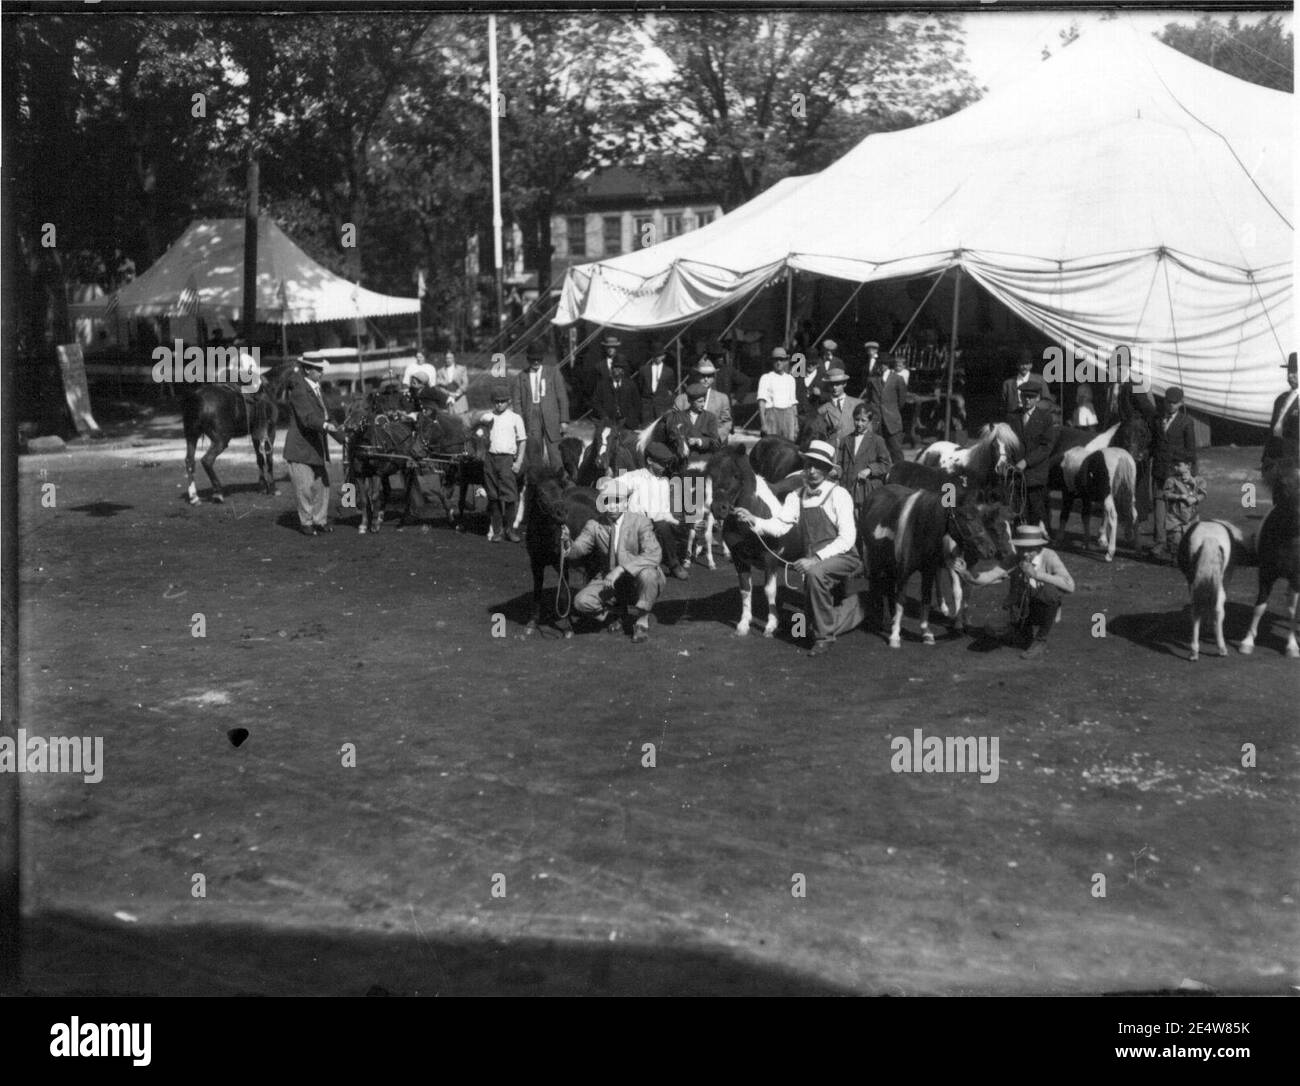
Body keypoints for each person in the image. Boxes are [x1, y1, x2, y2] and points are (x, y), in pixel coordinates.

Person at [734, 439, 864, 657]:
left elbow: (847, 538)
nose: (812, 471)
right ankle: (853, 610)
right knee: (806, 621)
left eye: (818, 466)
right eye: (809, 465)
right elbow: (780, 526)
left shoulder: (839, 495)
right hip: (813, 558)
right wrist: (754, 519)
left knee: (814, 574)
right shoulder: (797, 496)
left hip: (843, 555)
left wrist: (816, 559)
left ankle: (824, 638)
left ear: (827, 469)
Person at [562, 476, 665, 644]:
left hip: (637, 577)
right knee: (581, 602)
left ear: (625, 503)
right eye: (607, 501)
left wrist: (621, 569)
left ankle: (641, 620)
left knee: (649, 574)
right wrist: (567, 542)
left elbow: (654, 554)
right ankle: (615, 614)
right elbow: (578, 550)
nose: (612, 506)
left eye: (617, 501)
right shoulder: (594, 525)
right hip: (611, 580)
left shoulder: (640, 522)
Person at [969, 523, 1075, 659]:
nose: (1025, 553)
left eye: (1029, 549)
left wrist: (1037, 575)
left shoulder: (1049, 556)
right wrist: (967, 574)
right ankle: (1020, 631)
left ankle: (1041, 640)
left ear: (1038, 548)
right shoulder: (1014, 558)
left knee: (1050, 592)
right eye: (1021, 548)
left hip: (1044, 609)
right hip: (1021, 608)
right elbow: (989, 576)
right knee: (1017, 637)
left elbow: (1070, 586)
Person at [285, 354, 341, 536]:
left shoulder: (317, 389)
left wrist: (343, 437)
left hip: (315, 446)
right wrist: (326, 425)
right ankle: (307, 522)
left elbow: (327, 415)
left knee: (322, 486)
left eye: (322, 369)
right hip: (301, 447)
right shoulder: (299, 391)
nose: (322, 373)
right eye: (318, 369)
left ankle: (320, 520)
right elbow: (308, 418)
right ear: (308, 370)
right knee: (305, 487)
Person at [624, 441, 689, 580]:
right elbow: (612, 486)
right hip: (635, 521)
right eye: (662, 464)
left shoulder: (664, 482)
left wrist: (675, 522)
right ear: (649, 461)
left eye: (666, 464)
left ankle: (674, 564)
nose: (665, 467)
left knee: (666, 527)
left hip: (656, 521)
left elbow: (664, 510)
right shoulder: (635, 476)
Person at [1149, 386, 1198, 556]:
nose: (1170, 406)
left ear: (1181, 403)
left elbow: (1191, 451)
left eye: (1174, 403)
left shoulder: (1186, 422)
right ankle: (1160, 542)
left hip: (1177, 472)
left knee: (1178, 509)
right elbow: (1153, 443)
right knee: (1159, 506)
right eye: (1168, 402)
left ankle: (1178, 545)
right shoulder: (1156, 420)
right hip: (1159, 470)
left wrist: (1192, 475)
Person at [478, 382, 527, 543]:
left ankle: (510, 530)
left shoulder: (515, 418)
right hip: (491, 458)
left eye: (502, 401)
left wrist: (518, 461)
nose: (499, 404)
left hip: (507, 459)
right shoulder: (489, 416)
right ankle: (497, 531)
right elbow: (478, 430)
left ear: (509, 402)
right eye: (496, 401)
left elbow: (522, 440)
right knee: (493, 497)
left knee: (510, 496)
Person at [510, 341, 569, 470]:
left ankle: (559, 481)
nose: (536, 362)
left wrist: (564, 420)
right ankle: (536, 482)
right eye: (533, 359)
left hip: (551, 418)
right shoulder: (521, 377)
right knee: (534, 454)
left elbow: (562, 397)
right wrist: (519, 422)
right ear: (528, 359)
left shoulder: (553, 373)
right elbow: (517, 402)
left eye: (538, 359)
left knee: (555, 454)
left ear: (542, 358)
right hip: (531, 418)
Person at [1006, 383, 1058, 532]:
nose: (1027, 400)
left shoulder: (1046, 418)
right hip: (1016, 475)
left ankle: (1040, 543)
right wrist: (1010, 463)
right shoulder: (1012, 417)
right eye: (1024, 396)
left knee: (1037, 512)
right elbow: (1008, 443)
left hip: (1036, 475)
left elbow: (1046, 446)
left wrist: (1026, 461)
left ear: (1038, 398)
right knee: (1018, 511)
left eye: (1031, 397)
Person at [836, 404, 892, 514]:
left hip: (867, 490)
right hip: (847, 489)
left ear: (869, 422)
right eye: (857, 420)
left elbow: (886, 464)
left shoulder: (877, 440)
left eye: (863, 420)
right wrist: (834, 472)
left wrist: (870, 470)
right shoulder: (846, 440)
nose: (859, 424)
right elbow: (839, 464)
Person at [1156, 455, 1207, 561]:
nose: (1175, 467)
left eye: (1178, 465)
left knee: (1192, 539)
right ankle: (1175, 558)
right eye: (1174, 465)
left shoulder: (1198, 480)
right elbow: (1165, 494)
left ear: (1188, 466)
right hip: (1175, 516)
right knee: (1175, 540)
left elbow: (1203, 493)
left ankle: (1189, 558)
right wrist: (1179, 496)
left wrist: (1195, 499)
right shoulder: (1171, 480)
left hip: (1191, 517)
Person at [865, 351, 909, 465]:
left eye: (884, 364)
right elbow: (869, 398)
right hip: (876, 420)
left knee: (896, 450)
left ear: (888, 365)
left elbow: (901, 401)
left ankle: (901, 472)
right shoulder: (872, 380)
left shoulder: (898, 379)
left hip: (892, 421)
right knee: (876, 450)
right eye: (880, 363)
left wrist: (892, 411)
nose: (881, 366)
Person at [673, 359, 731, 441]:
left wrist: (716, 439)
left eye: (710, 376)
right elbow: (674, 422)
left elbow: (726, 422)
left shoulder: (722, 398)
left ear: (714, 378)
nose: (706, 379)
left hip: (713, 444)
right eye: (703, 376)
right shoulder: (682, 399)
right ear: (696, 376)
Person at [1262, 352, 1298, 478]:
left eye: (1295, 371)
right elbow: (1272, 431)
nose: (1290, 375)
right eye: (1289, 371)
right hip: (1278, 459)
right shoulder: (1281, 399)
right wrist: (1265, 460)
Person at [665, 382, 723, 457]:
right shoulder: (679, 416)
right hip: (684, 460)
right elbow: (672, 438)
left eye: (704, 401)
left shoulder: (710, 417)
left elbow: (716, 443)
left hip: (704, 460)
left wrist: (699, 441)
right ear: (690, 401)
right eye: (699, 402)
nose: (703, 404)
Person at [757, 347, 799, 439]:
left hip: (788, 416)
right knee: (772, 446)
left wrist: (796, 424)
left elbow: (793, 403)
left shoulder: (790, 379)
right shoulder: (766, 378)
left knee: (789, 446)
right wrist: (763, 424)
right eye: (776, 360)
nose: (778, 362)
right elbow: (761, 403)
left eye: (781, 360)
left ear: (785, 361)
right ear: (772, 361)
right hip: (772, 416)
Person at [814, 367, 861, 449]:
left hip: (854, 449)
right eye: (832, 384)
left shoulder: (857, 403)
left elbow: (868, 431)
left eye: (838, 384)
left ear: (844, 384)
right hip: (834, 450)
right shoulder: (822, 410)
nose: (834, 387)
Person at [591, 357, 643, 430]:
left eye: (620, 368)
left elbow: (637, 404)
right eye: (615, 368)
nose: (618, 370)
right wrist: (604, 417)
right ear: (611, 369)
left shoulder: (631, 385)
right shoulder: (602, 385)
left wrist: (631, 418)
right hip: (608, 424)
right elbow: (595, 402)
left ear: (623, 371)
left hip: (628, 425)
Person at [1000, 350, 1049, 418]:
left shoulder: (1040, 380)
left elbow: (1047, 401)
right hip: (1014, 418)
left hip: (1034, 417)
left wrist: (1032, 408)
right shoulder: (1008, 383)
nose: (1024, 366)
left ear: (1031, 365)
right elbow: (1003, 405)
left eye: (1027, 363)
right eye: (1022, 364)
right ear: (1017, 365)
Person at [636, 341, 677, 420]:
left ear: (664, 356)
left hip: (662, 407)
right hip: (647, 408)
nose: (657, 357)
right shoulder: (644, 369)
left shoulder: (669, 371)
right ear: (652, 355)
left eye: (660, 355)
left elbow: (671, 389)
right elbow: (640, 387)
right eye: (655, 355)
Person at [435, 350, 470, 415]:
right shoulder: (440, 371)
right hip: (447, 401)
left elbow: (465, 383)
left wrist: (457, 393)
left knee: (462, 422)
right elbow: (439, 386)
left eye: (450, 358)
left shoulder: (461, 369)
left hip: (460, 400)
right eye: (446, 358)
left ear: (454, 358)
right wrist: (449, 393)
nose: (448, 360)